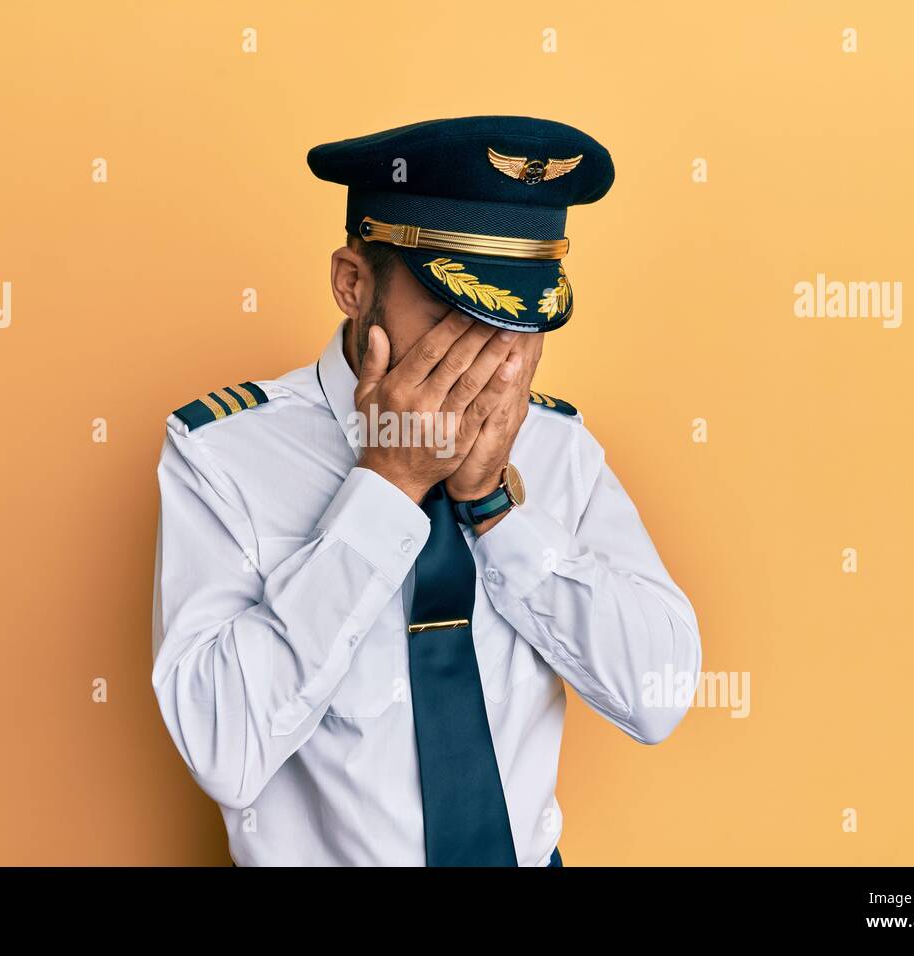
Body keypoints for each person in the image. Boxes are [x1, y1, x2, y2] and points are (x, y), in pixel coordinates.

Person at [151, 116, 701, 866]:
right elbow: (222, 745)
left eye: (517, 320)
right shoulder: (224, 454)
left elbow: (657, 696)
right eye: (454, 313)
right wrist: (386, 487)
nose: (487, 361)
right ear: (353, 283)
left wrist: (496, 511)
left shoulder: (558, 445)